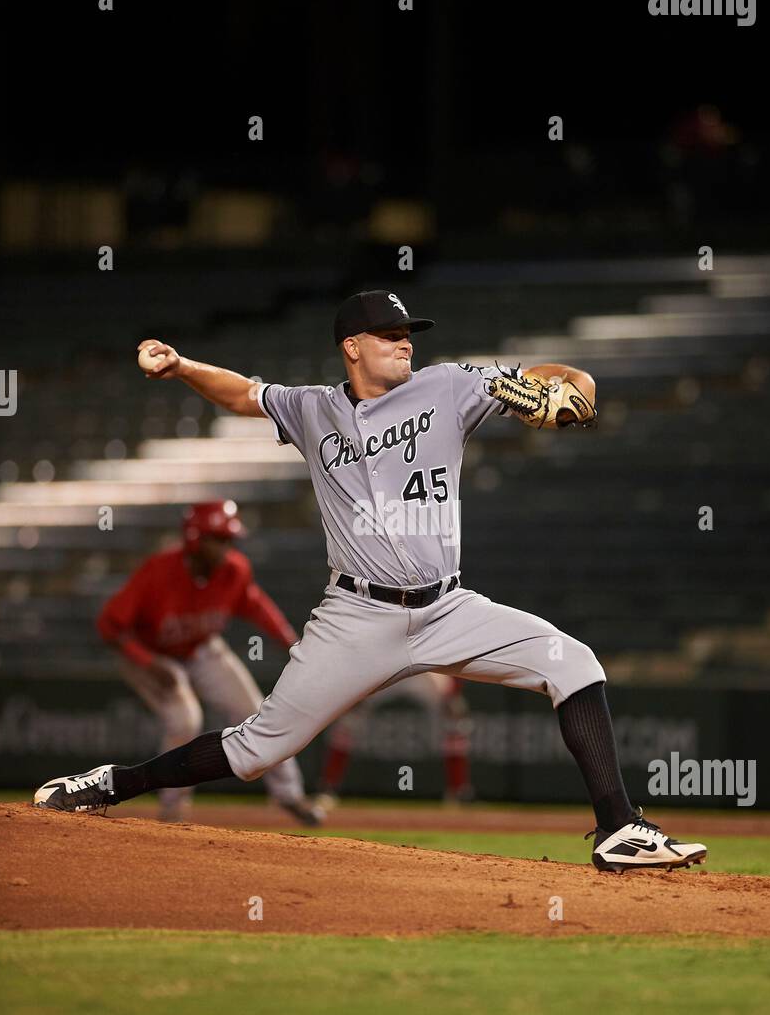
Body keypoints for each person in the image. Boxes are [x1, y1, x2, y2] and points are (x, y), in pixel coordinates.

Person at [35, 289, 707, 873]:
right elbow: (242, 392)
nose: (404, 345)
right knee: (258, 749)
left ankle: (619, 828)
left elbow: (572, 383)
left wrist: (569, 392)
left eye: (408, 335)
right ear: (351, 346)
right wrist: (181, 366)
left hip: (448, 607)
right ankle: (112, 783)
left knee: (573, 661)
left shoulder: (448, 386)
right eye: (390, 336)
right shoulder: (311, 409)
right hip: (356, 617)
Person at [96, 499, 326, 826]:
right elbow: (109, 625)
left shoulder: (234, 570)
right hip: (152, 654)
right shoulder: (158, 571)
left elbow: (257, 607)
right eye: (217, 539)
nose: (225, 547)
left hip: (202, 649)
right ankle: (173, 813)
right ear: (194, 539)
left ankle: (290, 796)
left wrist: (290, 642)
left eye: (228, 540)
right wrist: (146, 661)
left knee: (258, 711)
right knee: (185, 720)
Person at [316, 673, 474, 807]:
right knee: (349, 717)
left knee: (454, 713)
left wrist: (453, 687)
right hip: (389, 664)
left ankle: (458, 791)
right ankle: (328, 787)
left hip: (422, 665)